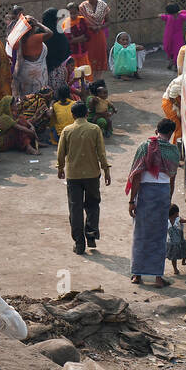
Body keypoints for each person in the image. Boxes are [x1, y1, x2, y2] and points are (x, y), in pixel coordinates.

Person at [126, 117, 181, 287]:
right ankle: (157, 277)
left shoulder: (144, 147)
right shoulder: (173, 151)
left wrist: (132, 200)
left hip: (145, 193)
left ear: (156, 130)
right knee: (158, 235)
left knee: (140, 233)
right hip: (162, 193)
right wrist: (168, 198)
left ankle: (137, 274)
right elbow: (172, 179)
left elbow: (136, 176)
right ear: (171, 133)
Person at [57, 101, 111, 256]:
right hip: (92, 174)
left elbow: (61, 152)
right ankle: (91, 234)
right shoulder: (94, 129)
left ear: (72, 115)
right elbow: (101, 152)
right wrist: (106, 170)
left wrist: (60, 168)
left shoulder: (67, 130)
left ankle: (79, 243)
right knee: (93, 204)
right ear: (87, 113)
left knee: (75, 208)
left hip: (73, 175)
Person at [10, 15, 51, 97]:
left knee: (27, 98)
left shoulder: (20, 41)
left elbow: (19, 59)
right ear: (33, 27)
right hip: (39, 74)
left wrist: (15, 76)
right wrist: (38, 23)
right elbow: (50, 33)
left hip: (25, 73)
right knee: (40, 97)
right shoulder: (37, 38)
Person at [42, 7, 76, 96]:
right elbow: (66, 52)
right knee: (57, 97)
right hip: (56, 71)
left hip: (40, 72)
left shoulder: (39, 33)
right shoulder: (59, 34)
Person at [78, 0, 110, 77]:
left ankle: (97, 80)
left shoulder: (103, 6)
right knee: (88, 58)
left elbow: (108, 21)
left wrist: (100, 27)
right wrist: (88, 28)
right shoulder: (82, 7)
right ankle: (89, 81)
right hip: (87, 37)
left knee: (99, 57)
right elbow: (79, 23)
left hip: (99, 36)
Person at [166, 203, 186, 275]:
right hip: (172, 243)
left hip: (180, 240)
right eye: (177, 213)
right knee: (174, 257)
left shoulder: (178, 220)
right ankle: (175, 269)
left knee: (185, 250)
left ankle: (183, 261)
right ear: (173, 213)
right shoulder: (166, 221)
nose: (178, 214)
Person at [64, 2, 91, 73]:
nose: (73, 15)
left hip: (83, 51)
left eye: (75, 13)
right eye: (71, 13)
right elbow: (69, 40)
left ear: (78, 12)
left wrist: (75, 39)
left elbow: (87, 35)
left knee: (85, 71)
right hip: (73, 52)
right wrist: (82, 37)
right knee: (74, 72)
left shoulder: (82, 20)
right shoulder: (66, 23)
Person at [159, 4, 186, 70]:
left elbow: (162, 16)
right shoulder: (181, 16)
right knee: (177, 51)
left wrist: (161, 15)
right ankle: (175, 65)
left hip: (169, 37)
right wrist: (182, 11)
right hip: (178, 37)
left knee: (170, 50)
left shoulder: (168, 17)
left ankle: (171, 63)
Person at [161, 74, 183, 144]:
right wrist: (178, 106)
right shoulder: (181, 82)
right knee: (179, 130)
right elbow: (171, 96)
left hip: (173, 102)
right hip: (169, 104)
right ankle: (175, 149)